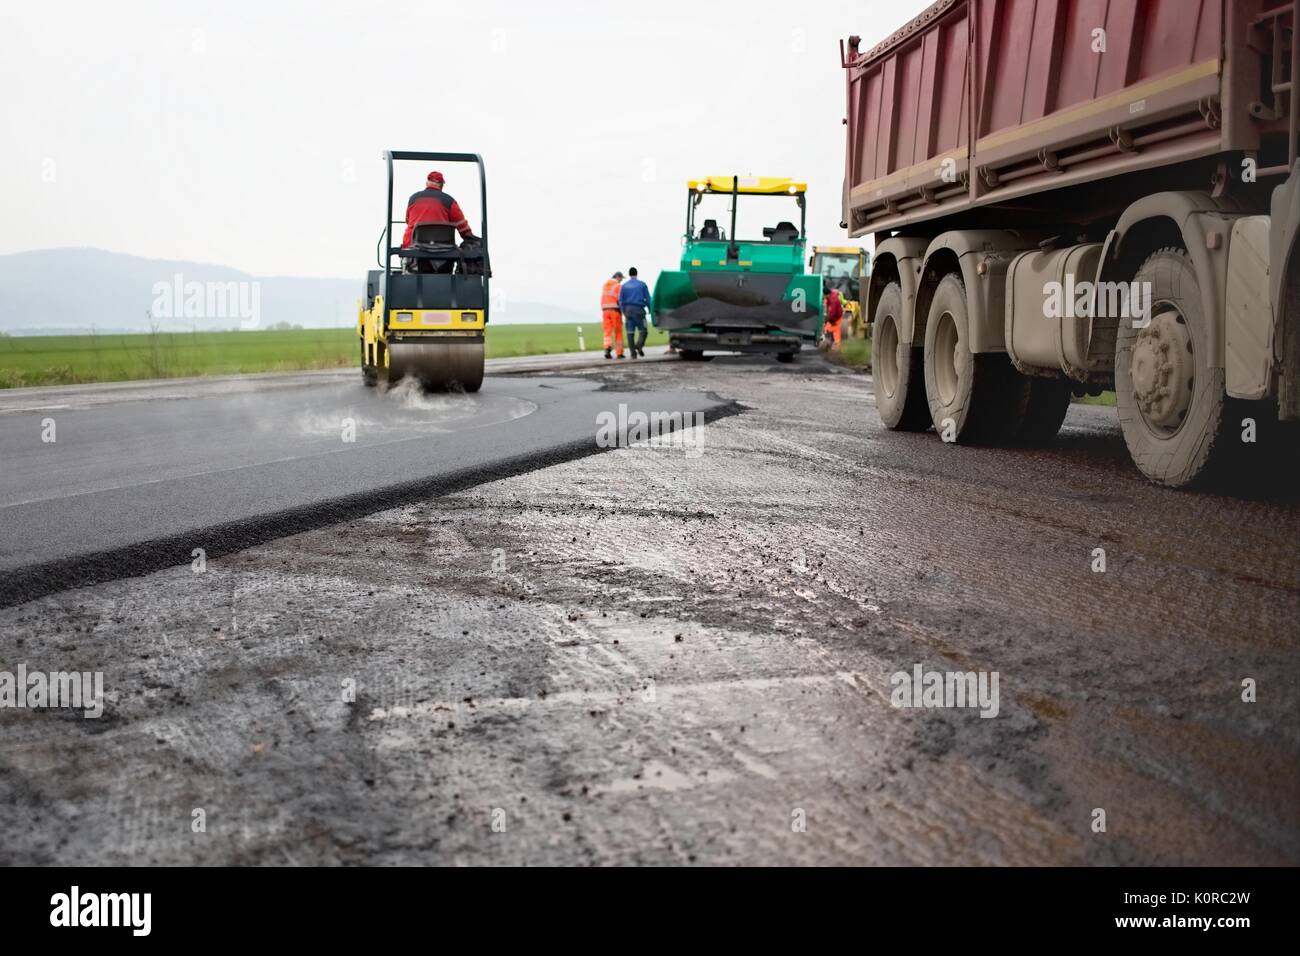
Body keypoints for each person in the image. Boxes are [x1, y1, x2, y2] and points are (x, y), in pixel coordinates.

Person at [401, 171, 474, 247]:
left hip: (413, 245)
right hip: (442, 248)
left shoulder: (413, 198)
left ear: (427, 183)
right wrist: (470, 238)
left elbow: (408, 220)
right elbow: (461, 225)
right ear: (441, 185)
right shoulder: (449, 200)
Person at [619, 267, 652, 359]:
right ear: (636, 274)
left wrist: (623, 311)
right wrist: (650, 309)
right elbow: (648, 299)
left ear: (629, 274)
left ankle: (633, 354)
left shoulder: (624, 286)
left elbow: (620, 300)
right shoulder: (642, 285)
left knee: (630, 333)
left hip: (628, 311)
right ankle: (639, 345)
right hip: (639, 310)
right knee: (643, 331)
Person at [601, 271, 625, 359]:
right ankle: (619, 353)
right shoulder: (618, 286)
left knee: (607, 332)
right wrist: (623, 311)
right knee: (618, 332)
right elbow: (620, 300)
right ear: (618, 277)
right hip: (615, 311)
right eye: (621, 278)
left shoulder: (605, 285)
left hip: (605, 311)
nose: (621, 280)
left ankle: (607, 348)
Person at [822, 286, 844, 350]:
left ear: (826, 294)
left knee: (835, 332)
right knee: (827, 329)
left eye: (824, 295)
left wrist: (830, 320)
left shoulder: (833, 299)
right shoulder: (831, 294)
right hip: (834, 317)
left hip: (836, 318)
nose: (824, 297)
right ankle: (830, 344)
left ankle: (836, 349)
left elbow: (832, 312)